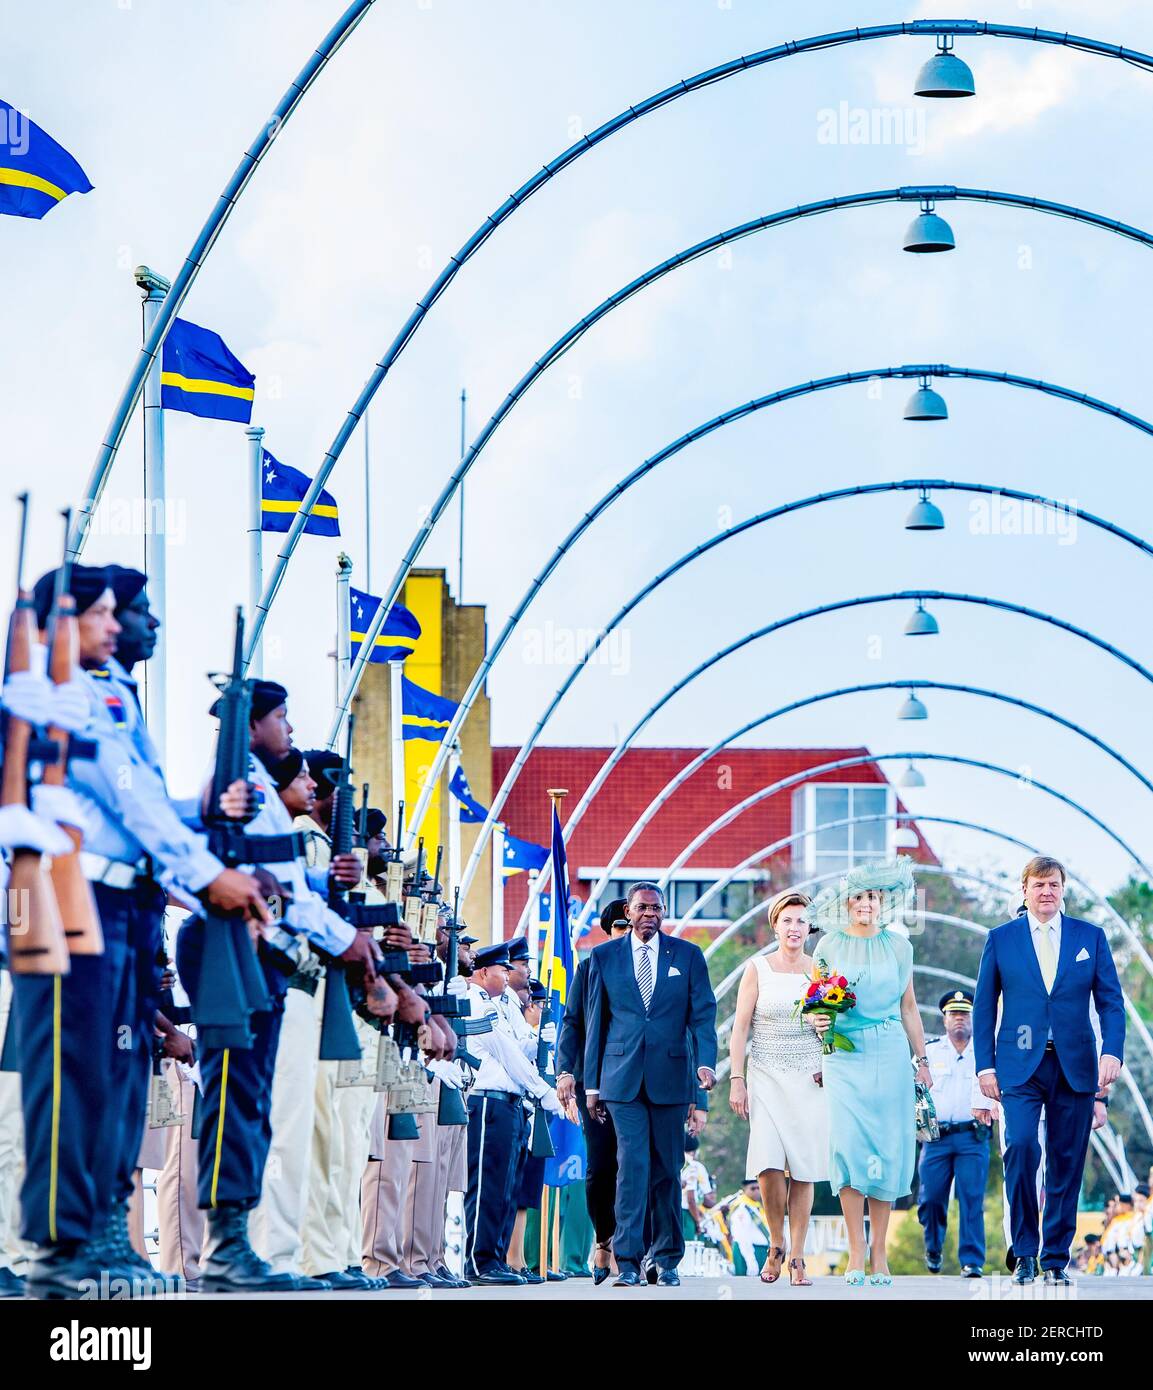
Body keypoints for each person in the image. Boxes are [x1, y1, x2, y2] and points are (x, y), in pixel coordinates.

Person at [15, 566, 270, 1299]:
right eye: (112, 611)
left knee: (119, 1075)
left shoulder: (112, 691)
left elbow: (148, 805)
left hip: (127, 903)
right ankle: (60, 1249)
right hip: (74, 895)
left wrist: (202, 812)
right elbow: (128, 807)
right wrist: (208, 879)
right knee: (74, 1075)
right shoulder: (59, 690)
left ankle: (96, 1231)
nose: (130, 624)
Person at [176, 680, 382, 1293]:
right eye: (281, 717)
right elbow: (221, 868)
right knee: (237, 1102)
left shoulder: (260, 793)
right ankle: (231, 1251)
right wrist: (339, 932)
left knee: (253, 1108)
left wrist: (322, 888)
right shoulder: (236, 788)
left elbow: (283, 881)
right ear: (251, 726)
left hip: (256, 949)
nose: (290, 730)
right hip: (232, 943)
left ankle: (238, 1248)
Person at [974, 855, 1125, 1284]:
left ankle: (1055, 1258)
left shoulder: (1089, 937)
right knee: (1021, 1147)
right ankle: (1024, 1251)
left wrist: (1111, 1052)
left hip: (1076, 1066)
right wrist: (985, 1066)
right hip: (1019, 1066)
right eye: (1038, 884)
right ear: (1024, 890)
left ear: (1063, 890)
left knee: (1066, 1160)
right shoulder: (1001, 939)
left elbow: (1111, 1002)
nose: (1046, 892)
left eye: (1054, 885)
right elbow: (984, 1008)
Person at [584, 881, 718, 1288]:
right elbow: (595, 1024)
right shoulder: (603, 957)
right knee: (632, 1165)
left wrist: (706, 1070)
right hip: (620, 1079)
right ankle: (627, 1260)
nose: (650, 915)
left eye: (657, 909)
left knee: (667, 1168)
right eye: (643, 908)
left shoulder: (688, 956)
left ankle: (667, 1259)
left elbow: (702, 1018)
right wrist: (591, 1084)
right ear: (629, 909)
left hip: (672, 1078)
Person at [807, 860, 930, 1288]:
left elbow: (908, 1007)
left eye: (873, 897)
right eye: (858, 897)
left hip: (890, 1050)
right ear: (846, 903)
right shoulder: (827, 946)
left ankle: (880, 1250)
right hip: (844, 1054)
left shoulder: (900, 946)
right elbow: (816, 1005)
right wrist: (819, 1022)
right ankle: (855, 1251)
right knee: (848, 1145)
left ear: (883, 903)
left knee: (887, 1146)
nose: (866, 903)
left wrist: (922, 1059)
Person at [728, 889, 828, 1287]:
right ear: (775, 925)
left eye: (801, 921)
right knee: (768, 1163)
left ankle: (799, 1256)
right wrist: (737, 1079)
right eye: (787, 920)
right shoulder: (757, 968)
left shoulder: (820, 970)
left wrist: (827, 1047)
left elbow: (833, 1023)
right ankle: (775, 1243)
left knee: (803, 1167)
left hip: (809, 1075)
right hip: (765, 1074)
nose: (794, 927)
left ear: (809, 927)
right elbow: (739, 1029)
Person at [462, 943, 564, 1284]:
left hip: (509, 1102)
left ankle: (496, 1256)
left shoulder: (499, 1006)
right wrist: (542, 1089)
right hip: (488, 1100)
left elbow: (519, 1049)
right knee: (487, 1186)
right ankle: (479, 1262)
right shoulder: (477, 1001)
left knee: (506, 1188)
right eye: (501, 969)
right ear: (482, 972)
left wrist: (539, 1041)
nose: (508, 974)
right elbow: (505, 1053)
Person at [555, 898, 631, 1283]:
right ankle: (604, 1238)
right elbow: (571, 1023)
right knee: (601, 1165)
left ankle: (628, 1247)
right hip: (594, 1085)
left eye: (631, 926)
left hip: (638, 1084)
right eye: (620, 927)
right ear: (608, 931)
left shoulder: (650, 971)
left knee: (635, 1166)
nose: (626, 933)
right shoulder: (589, 969)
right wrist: (566, 1071)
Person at [916, 991, 989, 1277]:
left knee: (972, 1198)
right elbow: (915, 1092)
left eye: (965, 1013)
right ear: (945, 1020)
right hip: (936, 1137)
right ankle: (933, 1246)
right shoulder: (930, 1052)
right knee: (932, 1198)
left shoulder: (985, 1052)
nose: (960, 1018)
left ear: (973, 1018)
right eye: (954, 1014)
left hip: (973, 1136)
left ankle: (972, 1260)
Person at [728, 1180, 771, 1277]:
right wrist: (750, 1260)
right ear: (744, 1190)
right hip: (747, 1251)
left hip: (760, 1251)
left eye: (758, 1188)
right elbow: (741, 1235)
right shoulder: (742, 1207)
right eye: (752, 1188)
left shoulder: (756, 1206)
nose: (756, 1191)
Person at [679, 1134, 712, 1241]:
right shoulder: (693, 1167)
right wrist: (698, 1221)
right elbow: (691, 1199)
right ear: (694, 1150)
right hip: (687, 1214)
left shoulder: (673, 1161)